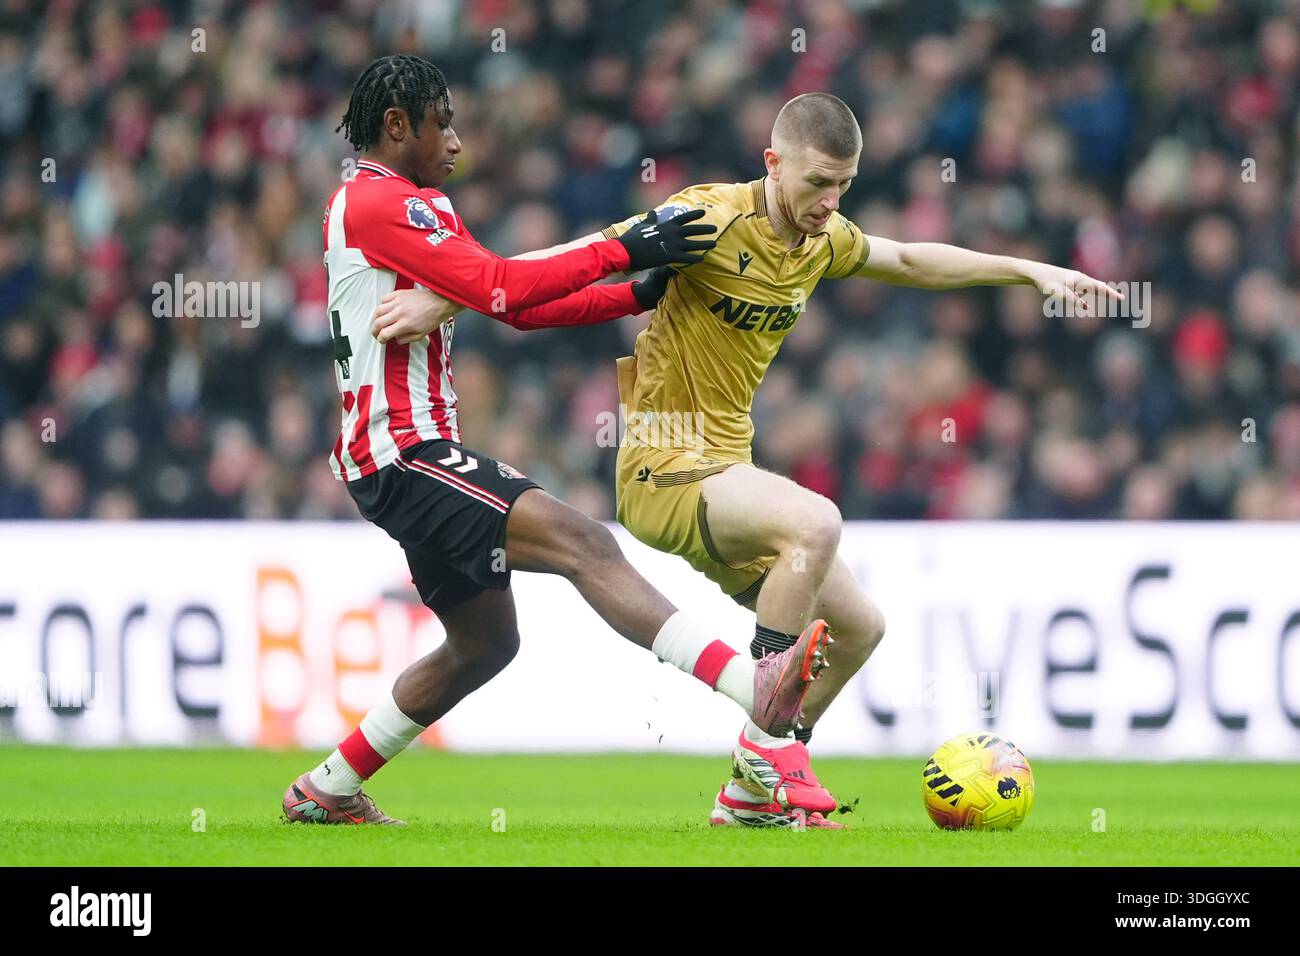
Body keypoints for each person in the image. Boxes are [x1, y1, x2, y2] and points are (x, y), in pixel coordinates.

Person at [380, 92, 1124, 828]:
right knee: (817, 522)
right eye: (816, 183)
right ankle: (770, 744)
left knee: (859, 626)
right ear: (773, 163)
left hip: (724, 471)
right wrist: (448, 301)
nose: (829, 202)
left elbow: (909, 260)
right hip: (662, 464)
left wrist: (1028, 270)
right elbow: (572, 261)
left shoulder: (821, 240)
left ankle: (748, 794)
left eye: (843, 186)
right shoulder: (708, 216)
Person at [282, 56, 833, 827]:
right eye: (445, 124)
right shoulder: (377, 203)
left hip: (408, 453)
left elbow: (514, 309)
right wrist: (631, 245)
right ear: (398, 125)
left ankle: (327, 788)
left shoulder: (411, 206)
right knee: (583, 543)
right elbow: (503, 284)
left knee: (483, 645)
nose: (458, 142)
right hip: (404, 453)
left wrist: (631, 292)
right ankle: (754, 690)